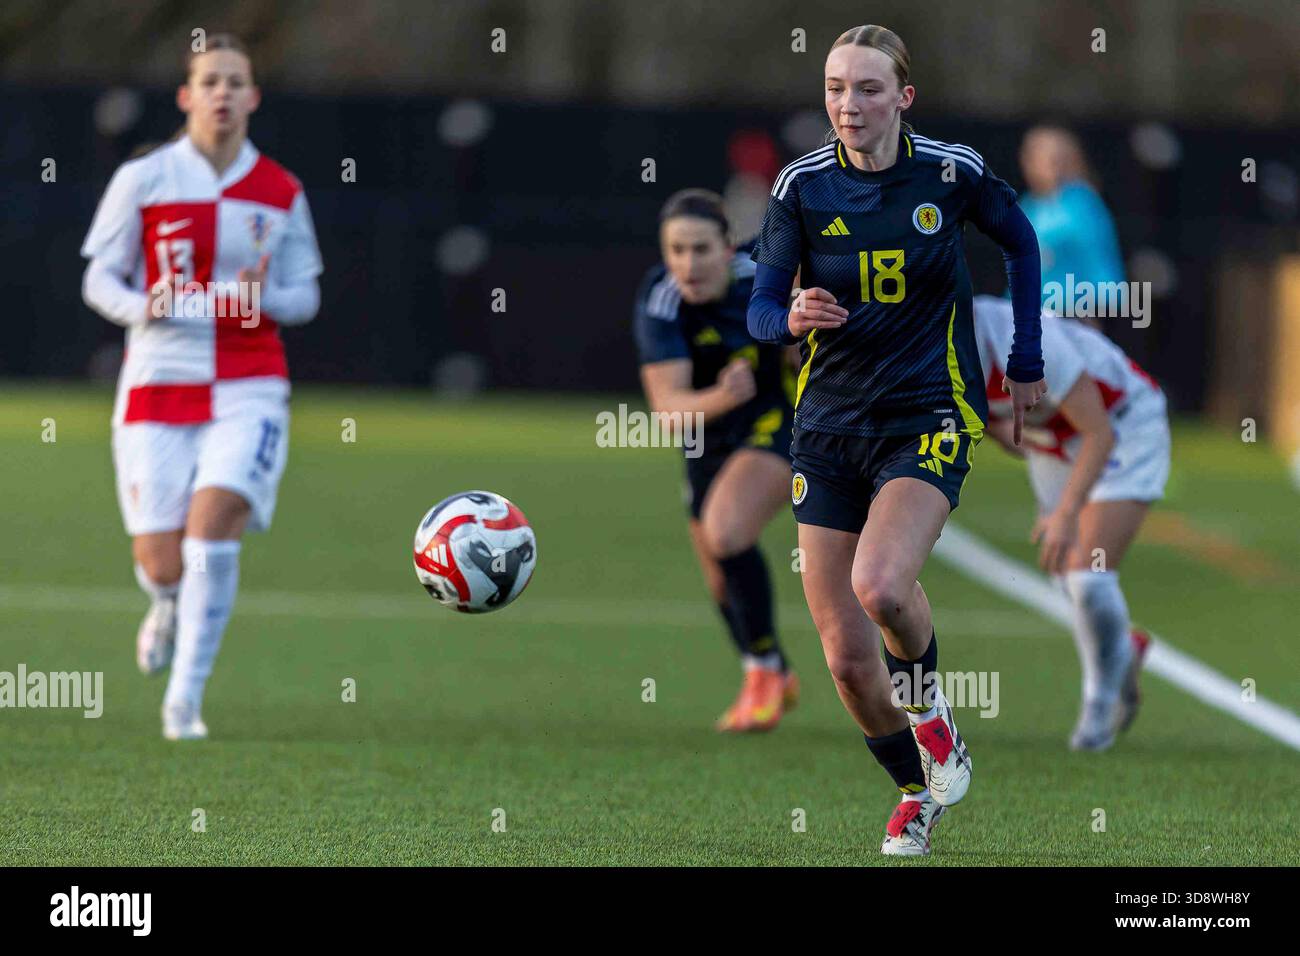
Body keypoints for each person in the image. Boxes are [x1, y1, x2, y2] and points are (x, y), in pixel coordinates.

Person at [746, 24, 1046, 856]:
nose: (849, 104)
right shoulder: (801, 187)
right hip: (829, 426)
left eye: (868, 88)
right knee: (845, 660)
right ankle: (918, 790)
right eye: (837, 88)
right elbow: (762, 308)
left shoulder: (950, 172)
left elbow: (1019, 242)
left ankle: (935, 719)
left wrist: (1024, 357)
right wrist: (790, 316)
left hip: (927, 413)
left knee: (882, 586)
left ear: (903, 98)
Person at [80, 34, 322, 740]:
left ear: (253, 97)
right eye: (208, 81)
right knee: (161, 560)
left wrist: (265, 298)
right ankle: (164, 603)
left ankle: (184, 699)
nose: (222, 93)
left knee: (211, 533)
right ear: (186, 95)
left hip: (249, 384)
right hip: (159, 382)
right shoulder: (146, 178)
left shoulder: (280, 190)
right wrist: (141, 305)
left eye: (235, 81)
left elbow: (305, 294)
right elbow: (98, 274)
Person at [634, 189, 800, 732]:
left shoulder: (763, 273)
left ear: (728, 248)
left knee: (726, 529)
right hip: (707, 433)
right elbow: (669, 410)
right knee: (719, 576)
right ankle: (774, 668)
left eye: (700, 249)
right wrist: (725, 396)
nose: (688, 264)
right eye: (676, 250)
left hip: (778, 418)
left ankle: (763, 677)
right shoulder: (661, 301)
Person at [972, 294, 1164, 750]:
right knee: (1066, 577)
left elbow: (1099, 432)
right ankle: (1123, 650)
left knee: (1088, 578)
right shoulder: (922, 348)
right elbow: (991, 422)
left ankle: (1097, 718)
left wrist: (1066, 512)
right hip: (1051, 440)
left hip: (1122, 426)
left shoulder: (1021, 340)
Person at [1018, 126, 1125, 314]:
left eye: (1037, 155)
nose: (1030, 163)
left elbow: (1099, 263)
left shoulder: (1081, 203)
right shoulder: (1028, 206)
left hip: (1072, 316)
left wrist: (1094, 310)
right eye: (1027, 155)